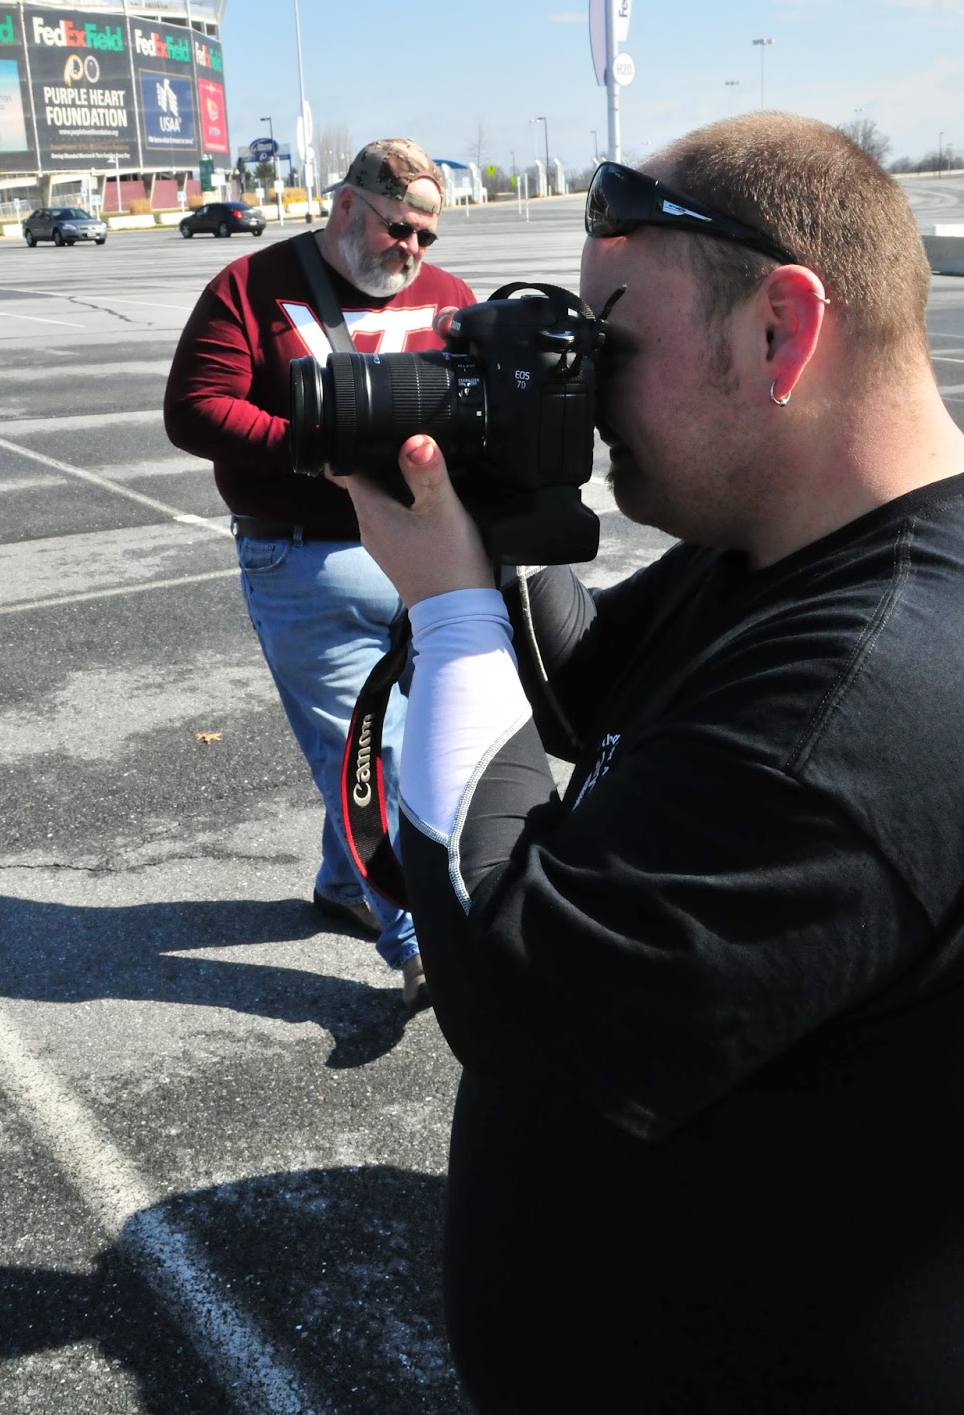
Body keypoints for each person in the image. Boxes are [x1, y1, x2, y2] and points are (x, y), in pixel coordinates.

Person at [333, 114, 964, 1411]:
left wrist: (450, 610)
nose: (583, 390)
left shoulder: (867, 695)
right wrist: (500, 507)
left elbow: (509, 990)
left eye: (602, 347)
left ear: (777, 333)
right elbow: (587, 693)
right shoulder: (787, 554)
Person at [164, 138, 475, 1013]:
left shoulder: (448, 300)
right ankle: (429, 948)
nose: (410, 252)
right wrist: (320, 455)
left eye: (424, 237)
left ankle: (349, 882)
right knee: (372, 753)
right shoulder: (250, 287)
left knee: (426, 744)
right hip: (307, 558)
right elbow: (194, 409)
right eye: (396, 229)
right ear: (345, 207)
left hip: (427, 555)